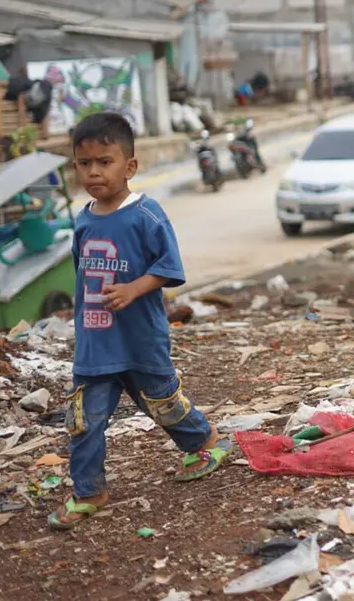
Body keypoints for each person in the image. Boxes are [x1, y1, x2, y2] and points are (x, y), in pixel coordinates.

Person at [49, 113, 230, 530]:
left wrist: (133, 288)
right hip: (96, 345)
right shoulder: (84, 218)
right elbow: (83, 275)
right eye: (83, 162)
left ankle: (205, 442)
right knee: (83, 421)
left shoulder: (145, 215)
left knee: (163, 404)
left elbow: (169, 266)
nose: (93, 171)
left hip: (139, 339)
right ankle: (89, 491)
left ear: (130, 166)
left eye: (104, 161)